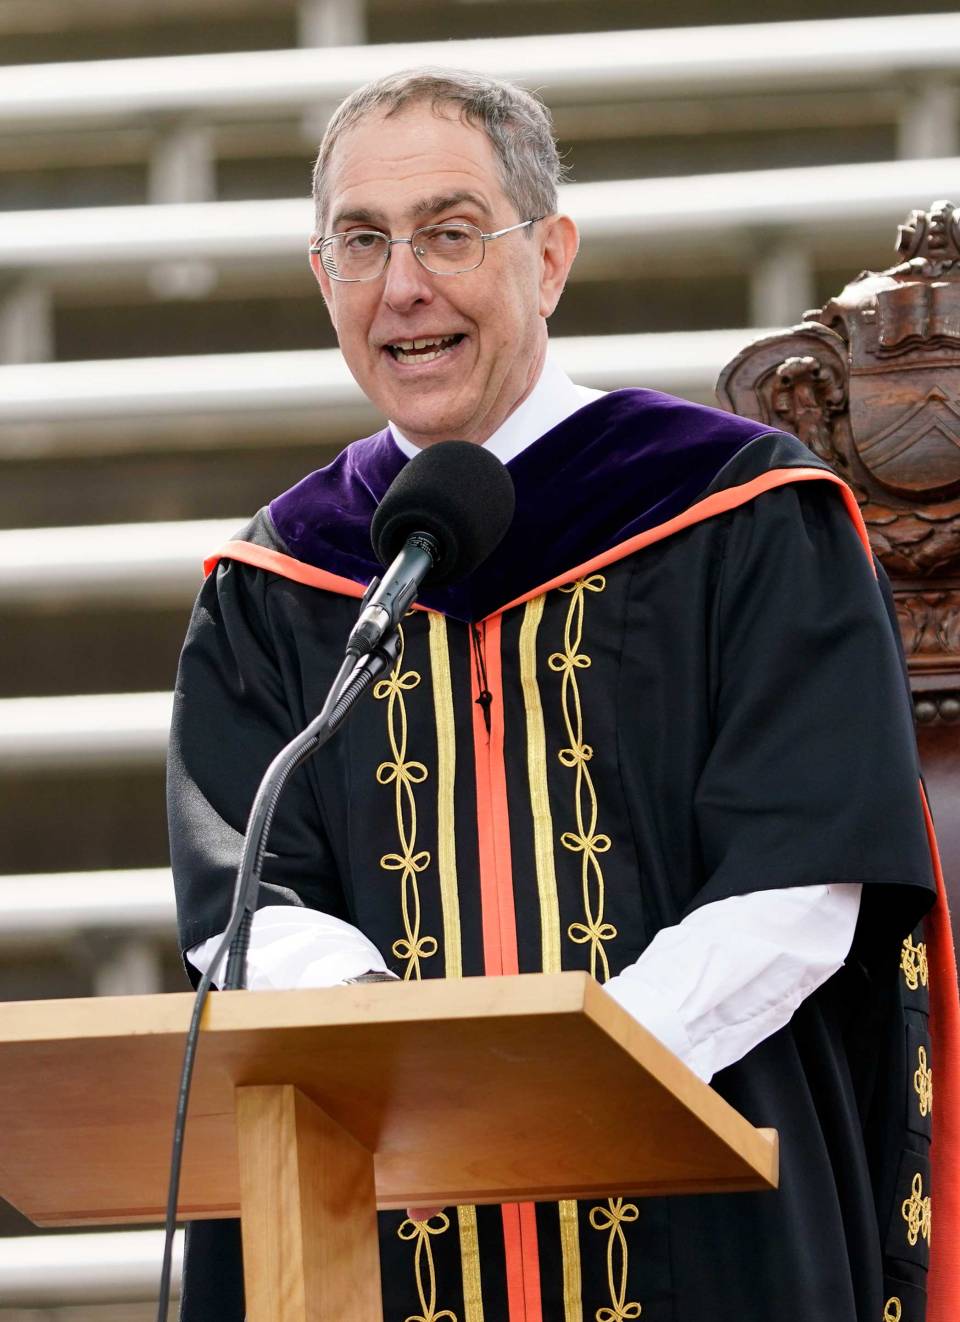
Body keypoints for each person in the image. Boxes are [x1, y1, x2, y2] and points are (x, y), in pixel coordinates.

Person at [168, 69, 955, 1322]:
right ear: (324, 279)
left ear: (550, 258)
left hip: (701, 1190)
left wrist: (569, 1073)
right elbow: (248, 902)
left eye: (450, 230)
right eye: (362, 242)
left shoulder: (736, 516)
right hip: (377, 1218)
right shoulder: (281, 577)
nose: (404, 284)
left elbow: (799, 882)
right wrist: (406, 1060)